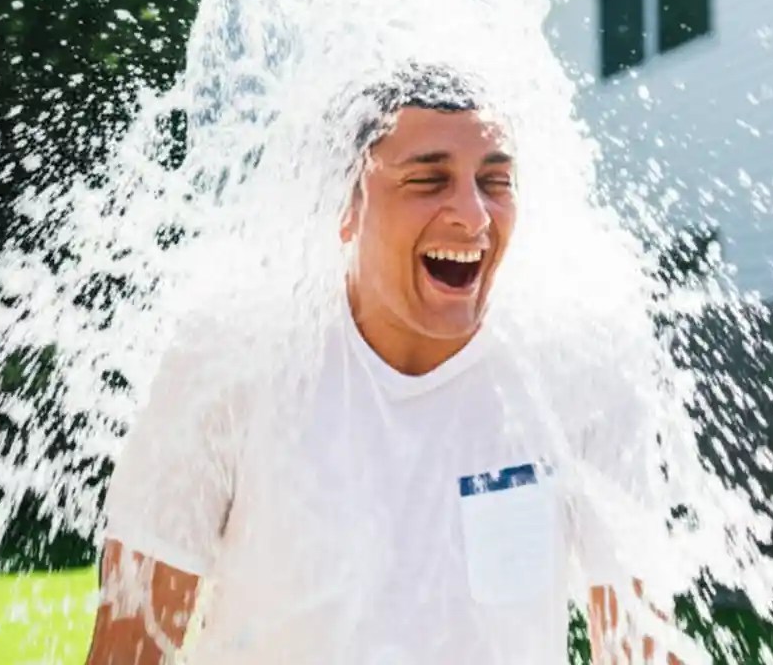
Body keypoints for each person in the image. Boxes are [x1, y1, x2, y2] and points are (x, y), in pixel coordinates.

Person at [86, 64, 685, 665]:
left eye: (495, 181)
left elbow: (644, 649)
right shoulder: (230, 361)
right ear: (345, 207)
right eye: (428, 181)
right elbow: (129, 651)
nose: (474, 216)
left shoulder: (580, 372)